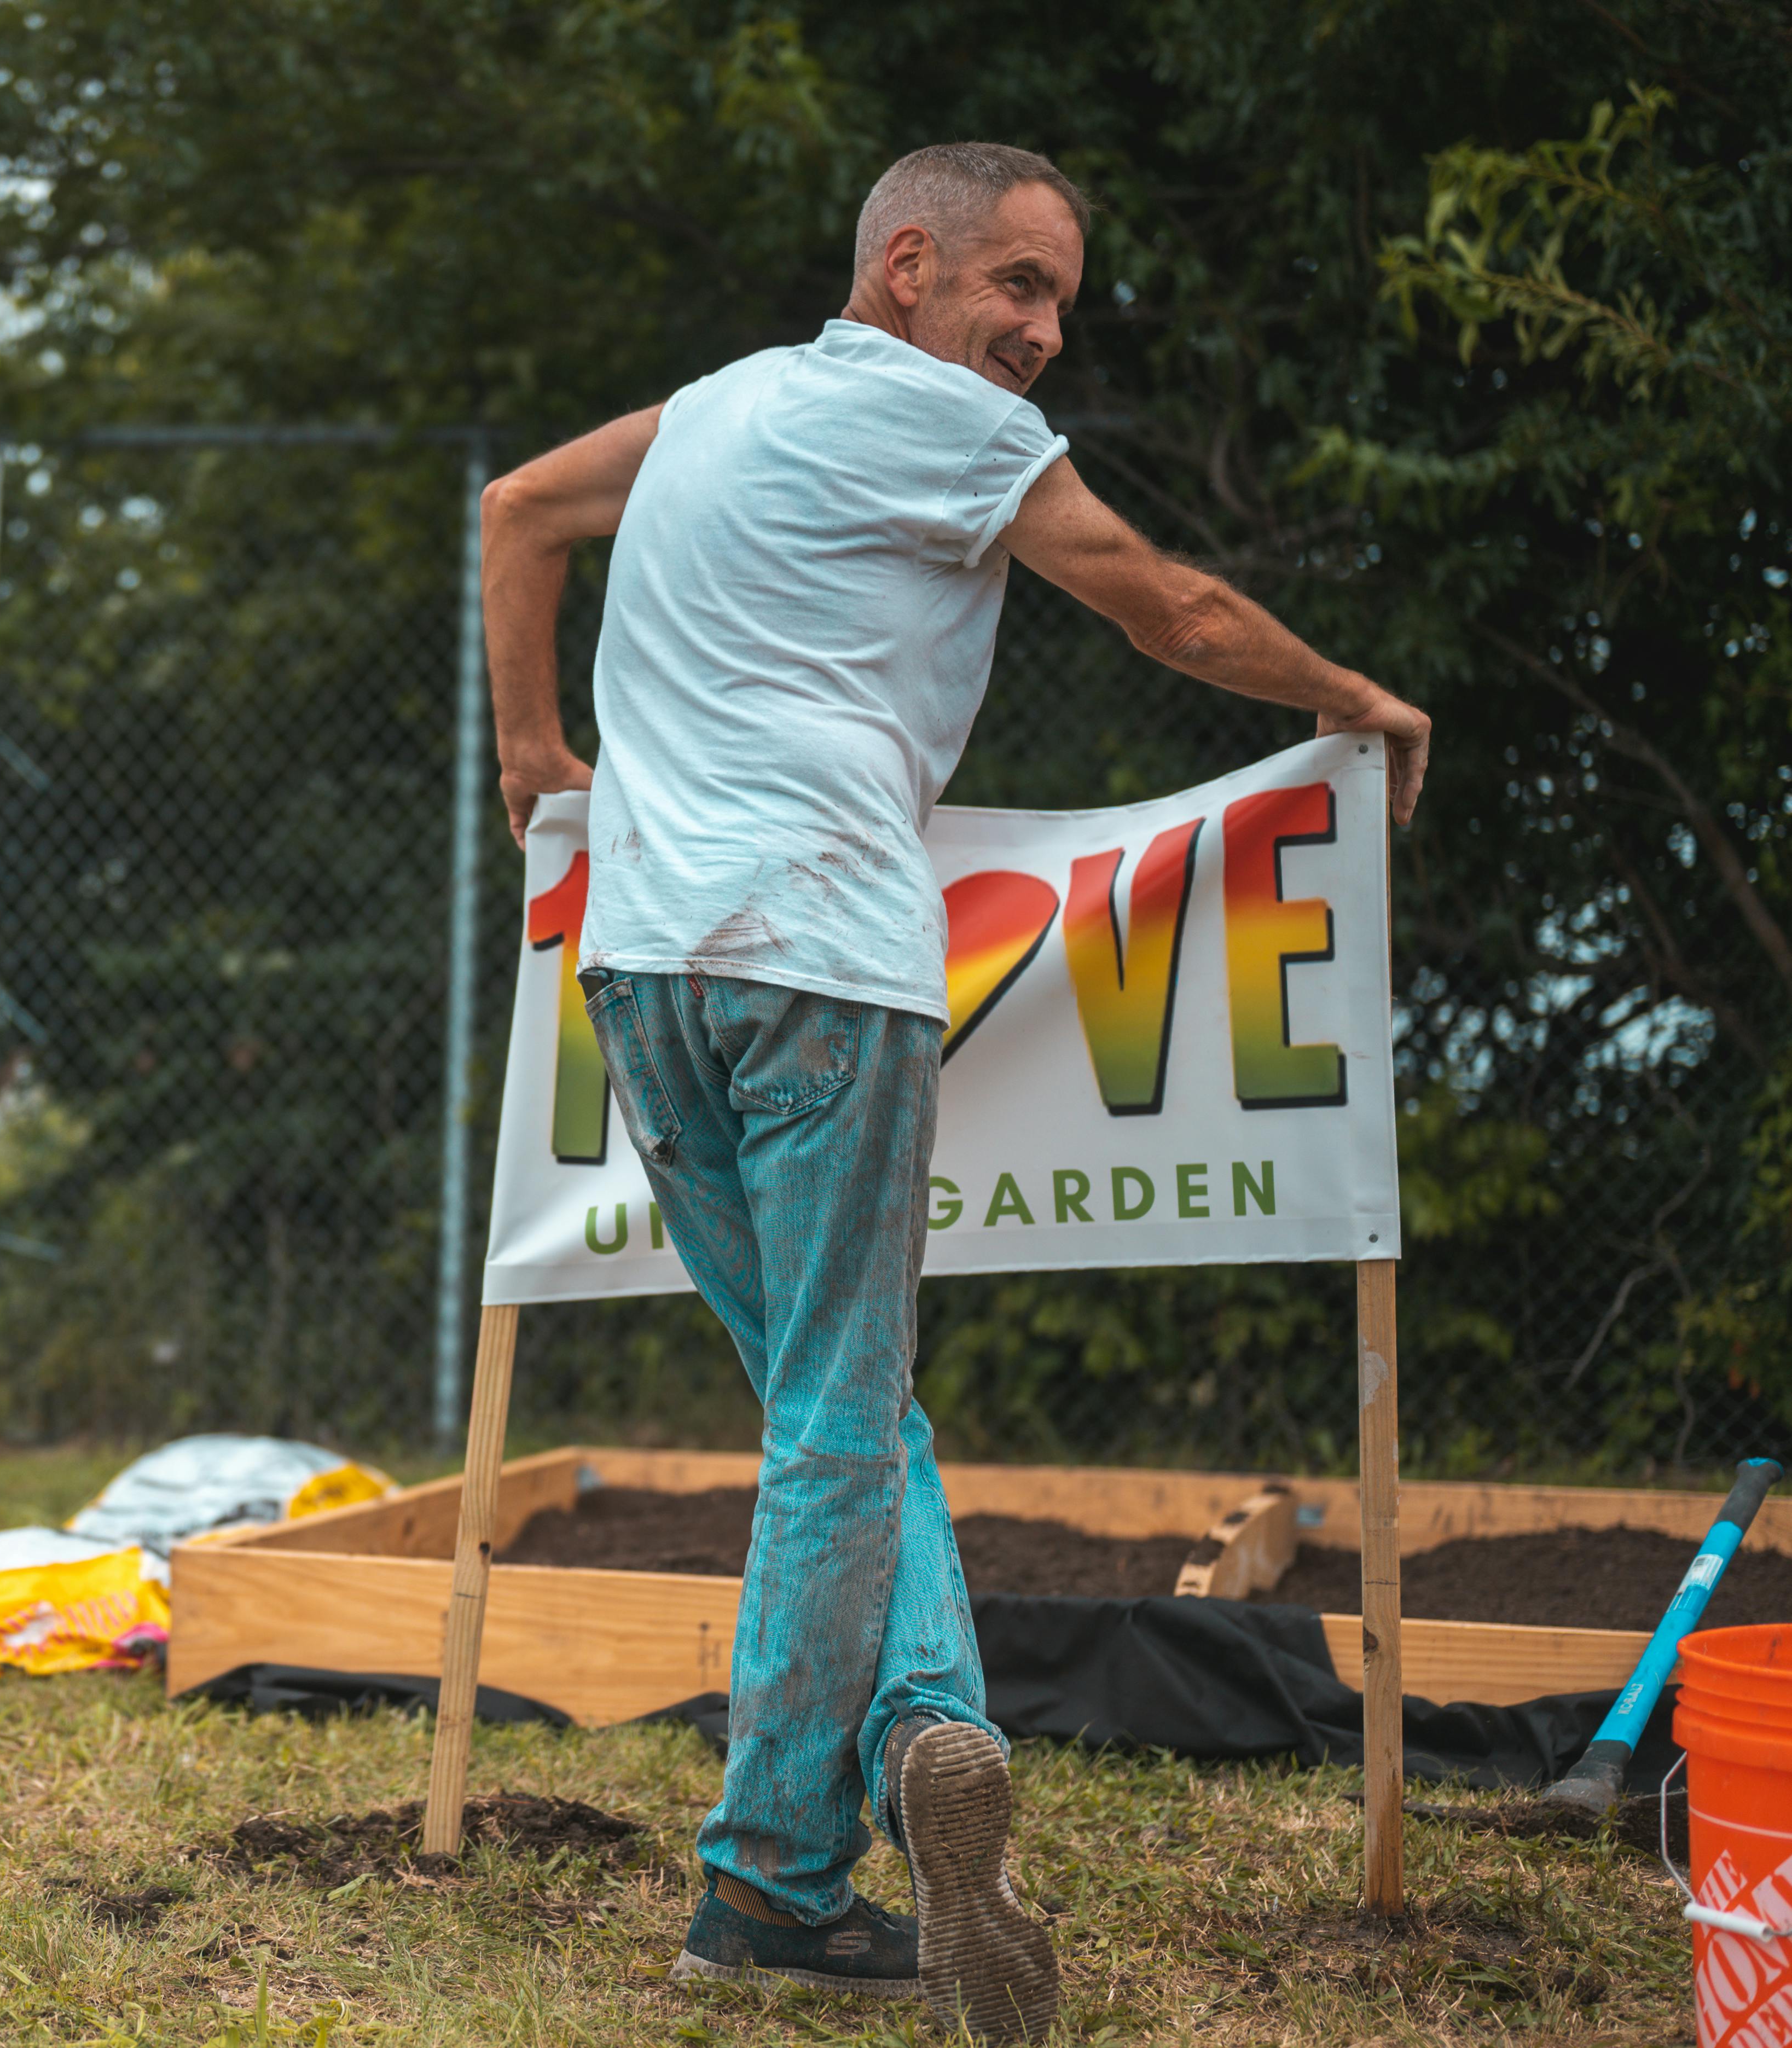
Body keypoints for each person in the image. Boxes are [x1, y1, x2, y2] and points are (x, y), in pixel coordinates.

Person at [478, 142, 1433, 2042]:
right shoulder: (941, 424)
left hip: (642, 968)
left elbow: (516, 512)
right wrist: (1356, 702)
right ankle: (766, 1883)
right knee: (837, 1422)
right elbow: (1168, 607)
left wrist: (534, 751)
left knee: (844, 1404)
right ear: (905, 268)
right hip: (822, 959)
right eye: (1015, 285)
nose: (1042, 334)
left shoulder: (724, 405)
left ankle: (924, 1726)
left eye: (1059, 300)